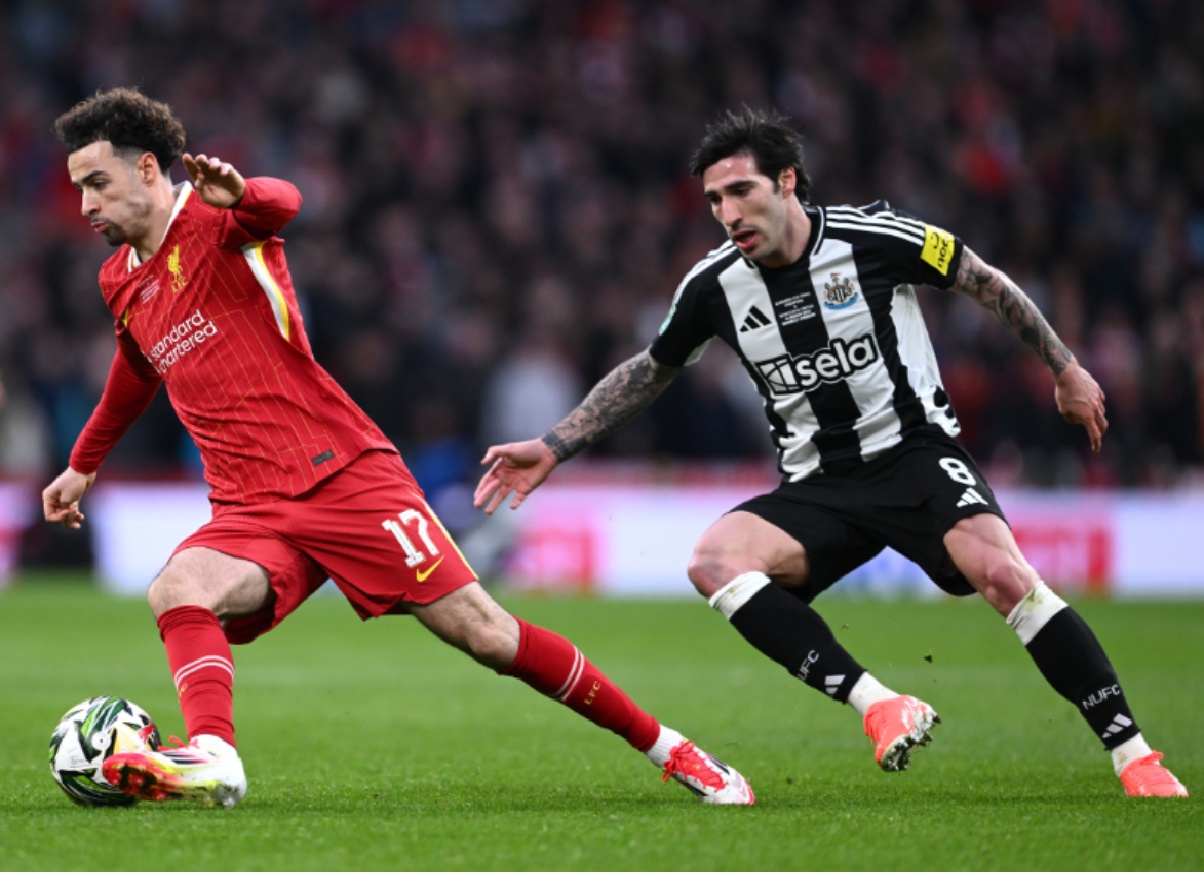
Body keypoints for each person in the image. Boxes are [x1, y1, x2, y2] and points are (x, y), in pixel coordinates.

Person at [42, 87, 753, 808]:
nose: (86, 205)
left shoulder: (219, 219)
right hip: (248, 506)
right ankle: (215, 756)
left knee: (488, 635)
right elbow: (138, 368)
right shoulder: (118, 279)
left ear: (149, 169)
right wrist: (82, 463)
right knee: (177, 589)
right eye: (78, 189)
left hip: (341, 476)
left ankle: (674, 750)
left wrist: (243, 192)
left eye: (97, 182)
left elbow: (283, 204)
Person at [474, 107, 1188, 798]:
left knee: (1004, 575)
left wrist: (1065, 367)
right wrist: (556, 445)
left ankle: (1134, 754)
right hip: (819, 484)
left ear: (787, 181)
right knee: (713, 562)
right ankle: (880, 704)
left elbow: (984, 279)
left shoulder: (872, 238)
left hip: (913, 456)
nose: (728, 213)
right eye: (715, 200)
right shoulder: (713, 286)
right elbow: (650, 370)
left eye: (742, 190)